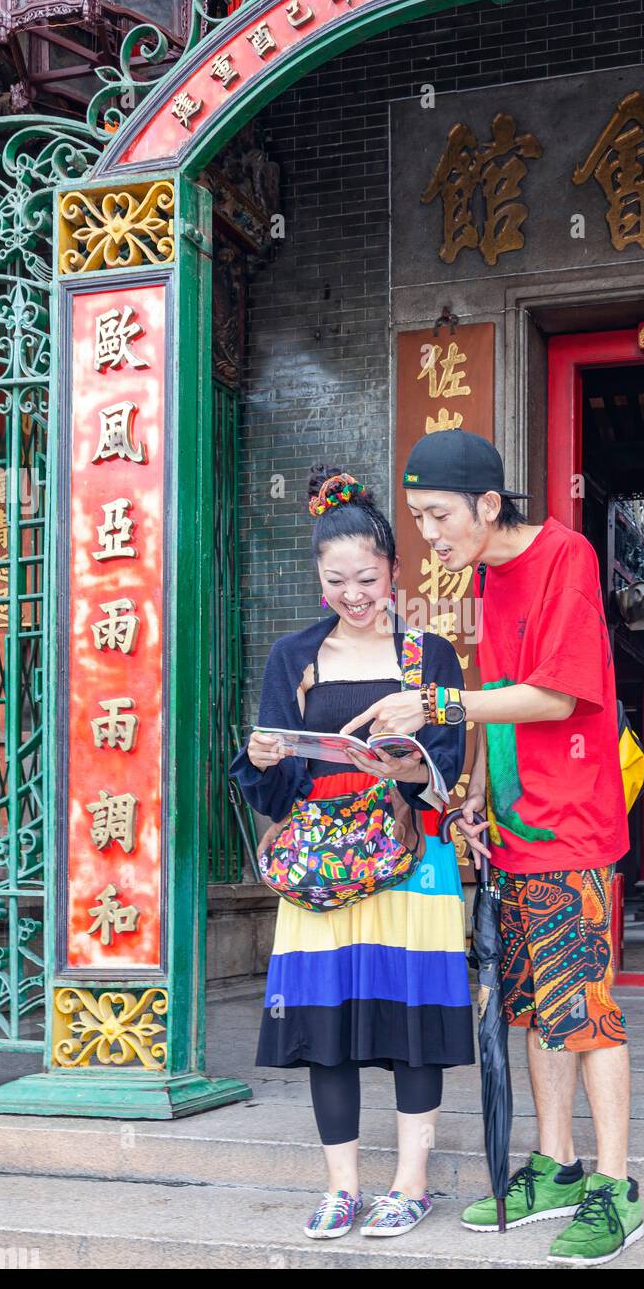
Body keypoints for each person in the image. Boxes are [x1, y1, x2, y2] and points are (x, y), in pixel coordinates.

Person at [343, 428, 641, 1266]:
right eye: (417, 518)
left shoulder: (566, 557)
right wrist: (472, 785)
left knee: (586, 1008)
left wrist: (435, 704)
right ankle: (555, 1166)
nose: (428, 535)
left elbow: (554, 695)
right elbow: (491, 693)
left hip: (572, 825)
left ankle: (616, 1189)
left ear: (484, 504)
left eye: (437, 516)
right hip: (511, 828)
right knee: (534, 1007)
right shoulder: (485, 576)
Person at [229, 467, 474, 1241]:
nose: (353, 593)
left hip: (412, 853)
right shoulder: (293, 656)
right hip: (320, 863)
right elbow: (271, 785)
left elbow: (448, 760)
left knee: (411, 1016)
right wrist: (266, 759)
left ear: (394, 572)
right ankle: (342, 1186)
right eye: (336, 580)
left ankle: (410, 1183)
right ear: (319, 579)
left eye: (367, 577)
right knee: (326, 1021)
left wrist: (399, 766)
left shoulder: (427, 654)